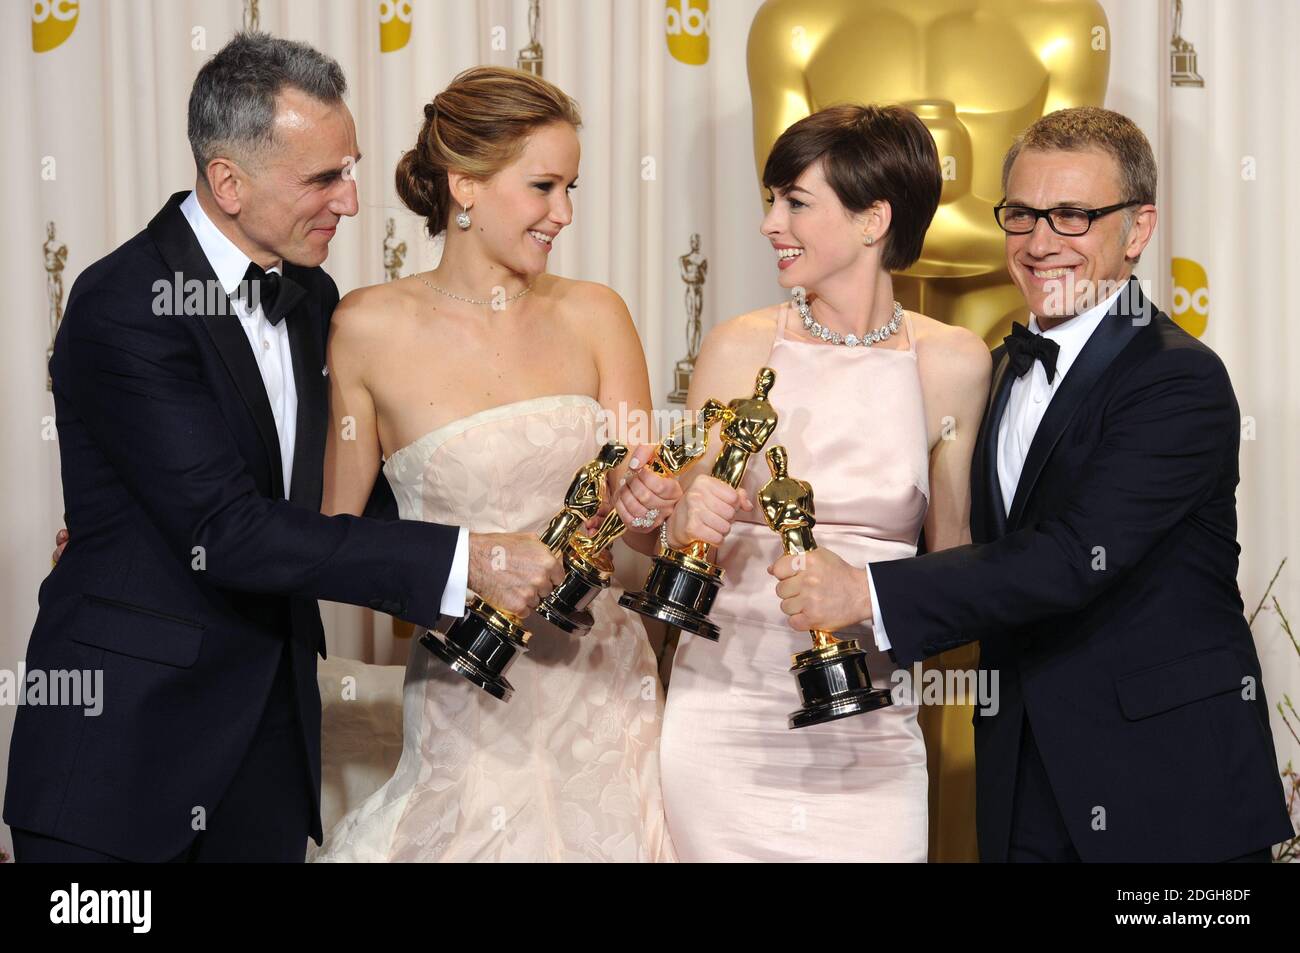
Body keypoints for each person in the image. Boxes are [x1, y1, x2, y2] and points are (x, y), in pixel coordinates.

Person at [4, 33, 558, 863]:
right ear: (228, 181)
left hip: (266, 752)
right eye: (323, 178)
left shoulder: (310, 294)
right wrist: (465, 558)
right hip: (122, 761)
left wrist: (523, 535)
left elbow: (335, 496)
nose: (351, 200)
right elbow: (226, 529)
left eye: (351, 167)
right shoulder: (126, 301)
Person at [774, 106, 1296, 862]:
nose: (1041, 242)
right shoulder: (1000, 362)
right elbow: (962, 539)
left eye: (1074, 215)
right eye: (1022, 214)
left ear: (1138, 229)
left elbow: (1071, 555)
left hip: (1167, 791)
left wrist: (867, 593)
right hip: (1024, 779)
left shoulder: (1177, 377)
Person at [311, 67, 678, 862]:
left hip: (605, 691)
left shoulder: (596, 314)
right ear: (465, 185)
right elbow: (339, 545)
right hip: (465, 694)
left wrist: (649, 507)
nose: (565, 213)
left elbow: (642, 543)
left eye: (572, 187)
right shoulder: (365, 327)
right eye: (544, 186)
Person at [658, 104, 991, 861]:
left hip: (869, 725)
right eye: (771, 199)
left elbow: (955, 570)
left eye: (795, 202)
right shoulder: (740, 345)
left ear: (875, 219)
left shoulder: (953, 362)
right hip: (724, 715)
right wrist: (683, 515)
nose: (771, 222)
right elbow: (673, 539)